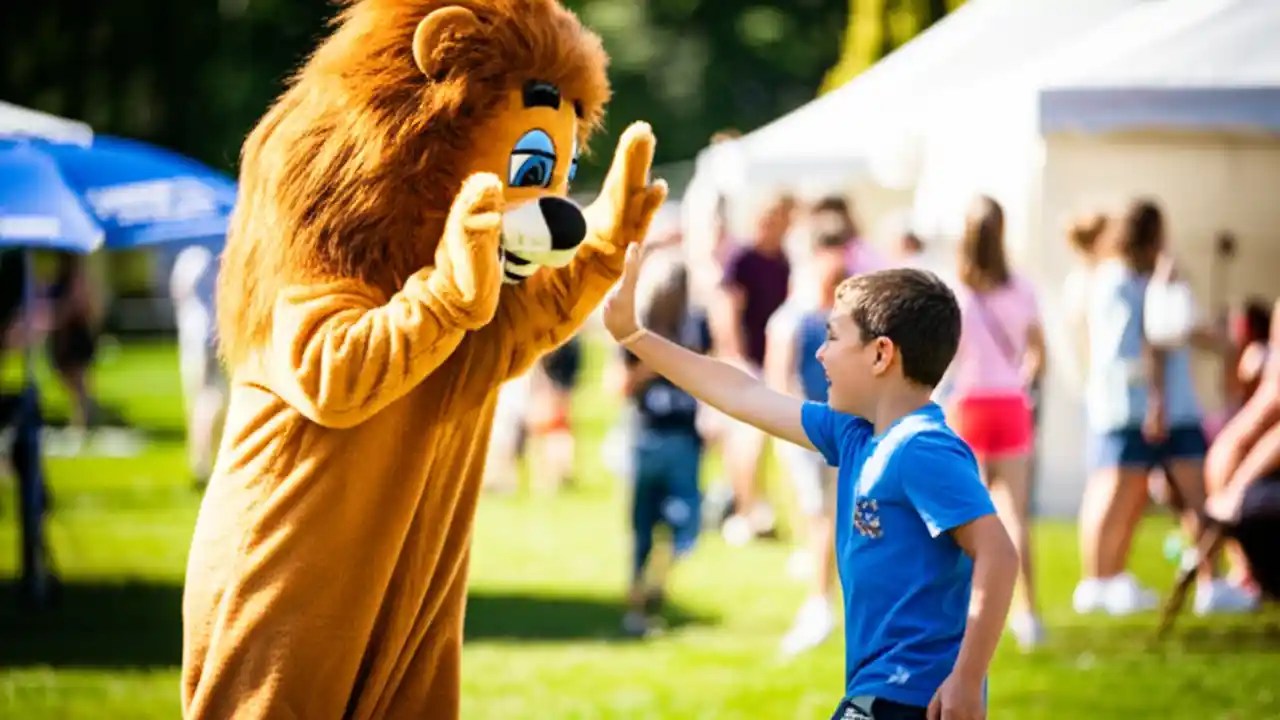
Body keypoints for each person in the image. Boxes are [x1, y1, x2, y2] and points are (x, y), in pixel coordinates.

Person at [605, 247, 1016, 720]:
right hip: (881, 690)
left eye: (833, 337)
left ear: (881, 353)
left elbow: (998, 553)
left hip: (914, 694)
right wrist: (633, 336)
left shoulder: (922, 448)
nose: (819, 353)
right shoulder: (853, 434)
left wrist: (966, 678)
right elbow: (741, 393)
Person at [1074, 199, 1253, 616]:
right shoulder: (1122, 281)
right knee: (1124, 494)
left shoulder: (1130, 278)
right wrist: (1156, 402)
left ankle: (1204, 580)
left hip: (1157, 405)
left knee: (1175, 495)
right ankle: (1101, 580)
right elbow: (1150, 339)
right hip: (1142, 406)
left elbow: (1175, 329)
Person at [945, 197, 1046, 650]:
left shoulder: (956, 292)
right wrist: (1024, 381)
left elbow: (949, 358)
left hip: (969, 404)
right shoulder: (1022, 287)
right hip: (1010, 403)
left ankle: (967, 612)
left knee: (965, 517)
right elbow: (1039, 351)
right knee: (1015, 516)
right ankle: (1029, 613)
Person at [615, 245, 710, 637]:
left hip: (684, 437)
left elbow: (711, 377)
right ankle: (637, 600)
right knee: (642, 525)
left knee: (684, 521)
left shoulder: (697, 324)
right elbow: (618, 387)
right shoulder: (633, 329)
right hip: (645, 435)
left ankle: (658, 585)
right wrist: (655, 363)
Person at [764, 242, 847, 657]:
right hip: (811, 431)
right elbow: (782, 379)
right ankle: (820, 595)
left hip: (820, 433)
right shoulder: (799, 320)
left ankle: (820, 603)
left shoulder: (819, 322)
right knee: (818, 516)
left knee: (822, 519)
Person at [712, 193, 795, 544]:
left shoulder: (784, 261)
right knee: (748, 441)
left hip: (771, 362)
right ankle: (746, 509)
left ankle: (753, 507)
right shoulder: (743, 259)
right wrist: (735, 355)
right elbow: (727, 308)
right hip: (747, 362)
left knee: (756, 444)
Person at [170, 243, 229, 488]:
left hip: (197, 336)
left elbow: (177, 295)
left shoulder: (188, 257)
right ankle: (205, 459)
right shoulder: (215, 254)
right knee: (212, 397)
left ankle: (202, 459)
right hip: (212, 333)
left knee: (203, 398)